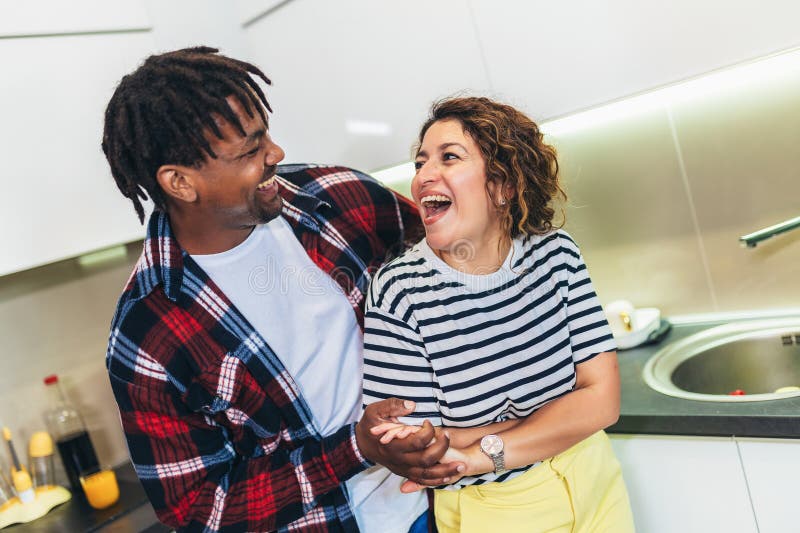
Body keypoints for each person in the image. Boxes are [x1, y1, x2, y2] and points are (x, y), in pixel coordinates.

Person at [100, 47, 464, 532]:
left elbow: (461, 261)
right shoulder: (147, 334)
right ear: (181, 183)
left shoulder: (339, 196)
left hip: (456, 502)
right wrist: (355, 449)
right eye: (250, 151)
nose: (276, 153)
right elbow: (200, 510)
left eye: (264, 135)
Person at [362, 96, 635, 532]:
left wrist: (479, 447)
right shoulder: (400, 289)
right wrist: (559, 413)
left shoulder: (554, 254)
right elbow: (417, 447)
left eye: (449, 157)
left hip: (593, 475)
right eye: (420, 163)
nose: (423, 176)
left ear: (504, 184)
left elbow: (603, 402)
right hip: (491, 507)